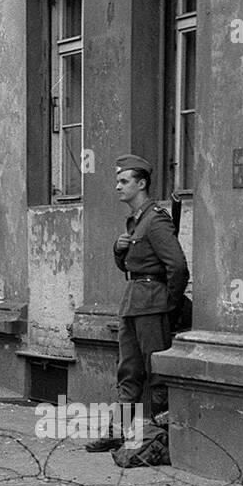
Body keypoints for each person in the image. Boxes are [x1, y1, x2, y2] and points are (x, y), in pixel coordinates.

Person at [86, 154, 190, 452]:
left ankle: (160, 437)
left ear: (140, 183)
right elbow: (133, 267)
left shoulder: (156, 220)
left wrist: (168, 303)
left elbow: (178, 268)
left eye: (124, 181)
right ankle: (117, 431)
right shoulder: (135, 221)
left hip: (152, 305)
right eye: (117, 181)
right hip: (134, 302)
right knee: (128, 369)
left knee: (155, 371)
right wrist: (118, 251)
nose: (118, 186)